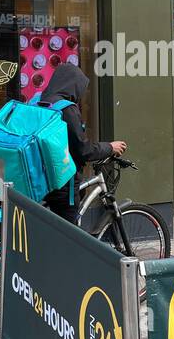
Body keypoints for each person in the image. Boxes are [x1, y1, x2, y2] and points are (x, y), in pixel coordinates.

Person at [36, 62, 126, 227]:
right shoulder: (66, 109)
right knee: (70, 239)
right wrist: (110, 147)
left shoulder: (39, 101)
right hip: (62, 185)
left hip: (41, 180)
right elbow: (84, 150)